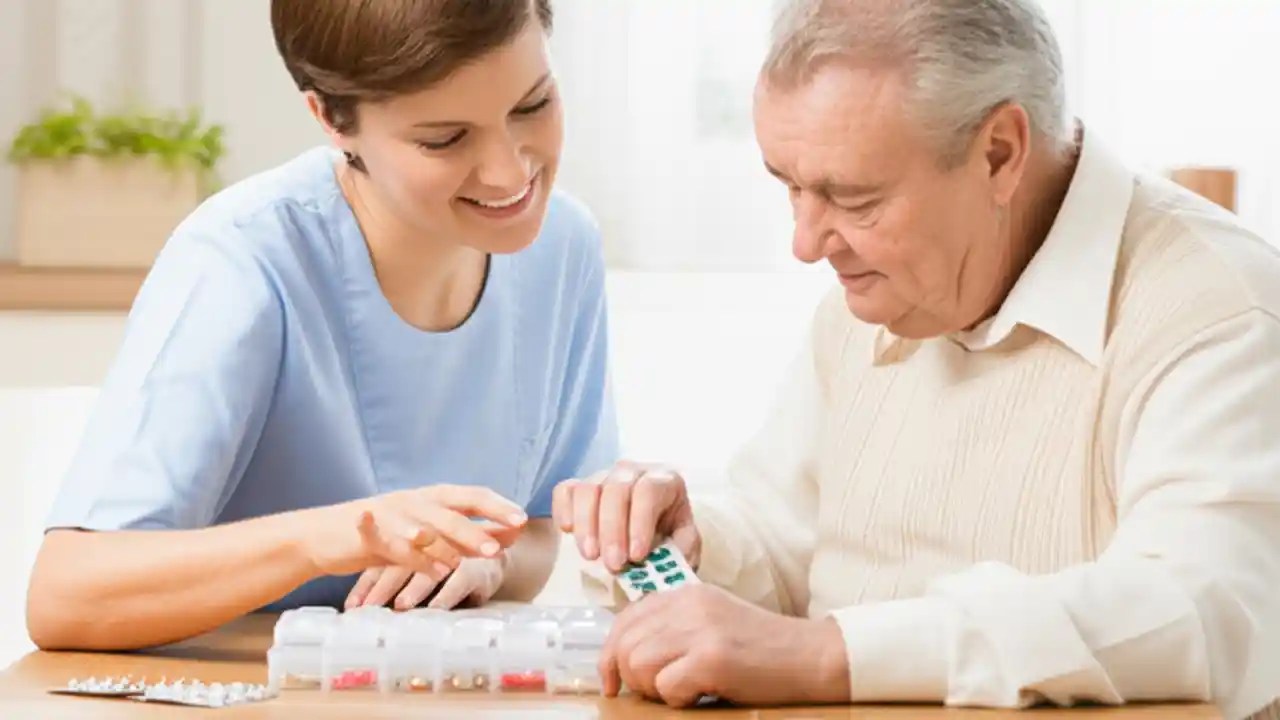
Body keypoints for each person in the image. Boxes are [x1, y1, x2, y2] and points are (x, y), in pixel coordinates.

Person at [555, 0, 1280, 717]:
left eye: (854, 198)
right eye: (791, 187)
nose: (805, 244)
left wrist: (826, 656)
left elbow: (1202, 611)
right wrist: (685, 548)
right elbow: (784, 543)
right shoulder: (871, 299)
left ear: (1000, 153)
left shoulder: (1217, 305)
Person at [27, 0, 617, 651]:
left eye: (532, 105)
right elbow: (67, 596)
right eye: (444, 139)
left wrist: (487, 561)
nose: (511, 172)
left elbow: (538, 526)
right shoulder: (241, 262)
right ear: (331, 120)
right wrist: (335, 537)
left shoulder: (562, 245)